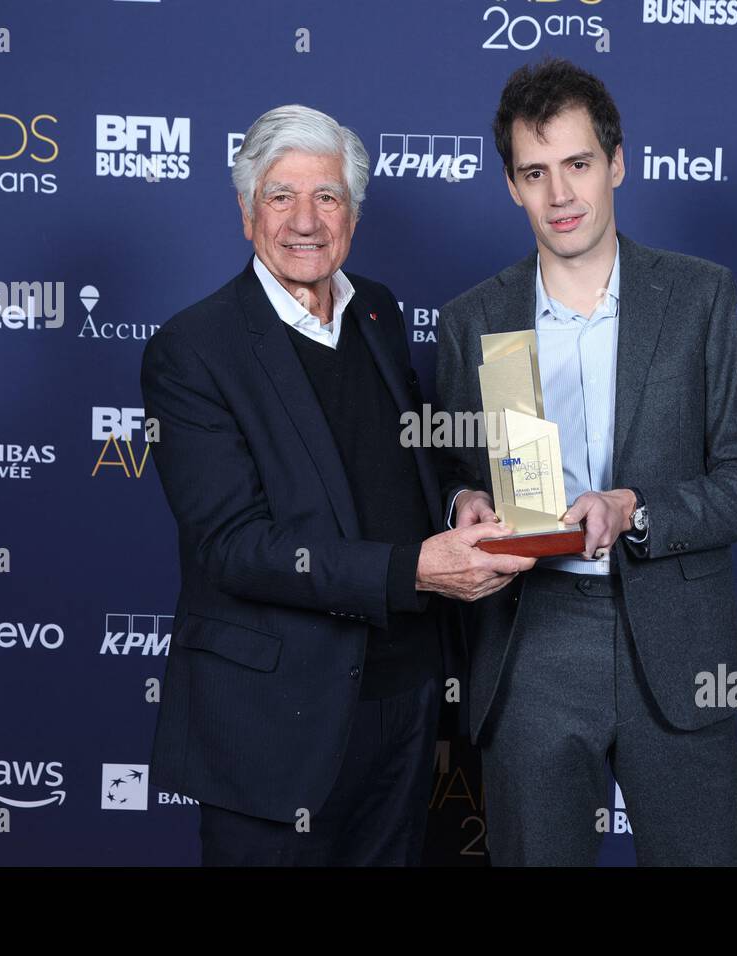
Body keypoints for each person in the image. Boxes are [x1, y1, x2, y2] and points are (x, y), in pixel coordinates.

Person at [141, 104, 533, 866]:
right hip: (273, 723)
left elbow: (406, 459)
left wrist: (458, 502)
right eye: (280, 196)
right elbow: (233, 546)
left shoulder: (376, 310)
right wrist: (413, 569)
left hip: (404, 702)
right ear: (246, 211)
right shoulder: (193, 350)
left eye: (327, 196)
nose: (305, 220)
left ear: (351, 214)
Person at [437, 60, 737, 866]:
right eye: (535, 172)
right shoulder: (473, 320)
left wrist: (636, 508)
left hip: (676, 635)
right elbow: (451, 468)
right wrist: (462, 503)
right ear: (511, 186)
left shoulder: (700, 298)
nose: (560, 194)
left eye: (578, 163)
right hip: (533, 640)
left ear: (617, 163)